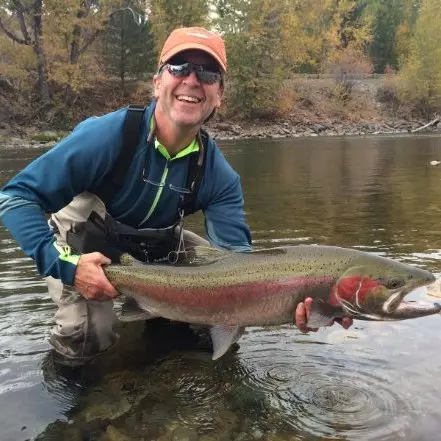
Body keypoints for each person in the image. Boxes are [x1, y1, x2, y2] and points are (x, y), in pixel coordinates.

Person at [0, 27, 351, 366]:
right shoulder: (107, 136)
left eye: (208, 72)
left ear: (218, 95)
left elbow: (238, 263)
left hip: (155, 244)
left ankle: (163, 355)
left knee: (230, 318)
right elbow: (15, 198)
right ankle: (73, 405)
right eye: (179, 67)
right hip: (83, 238)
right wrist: (67, 266)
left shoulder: (219, 175)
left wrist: (290, 302)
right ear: (157, 82)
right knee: (87, 336)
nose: (192, 80)